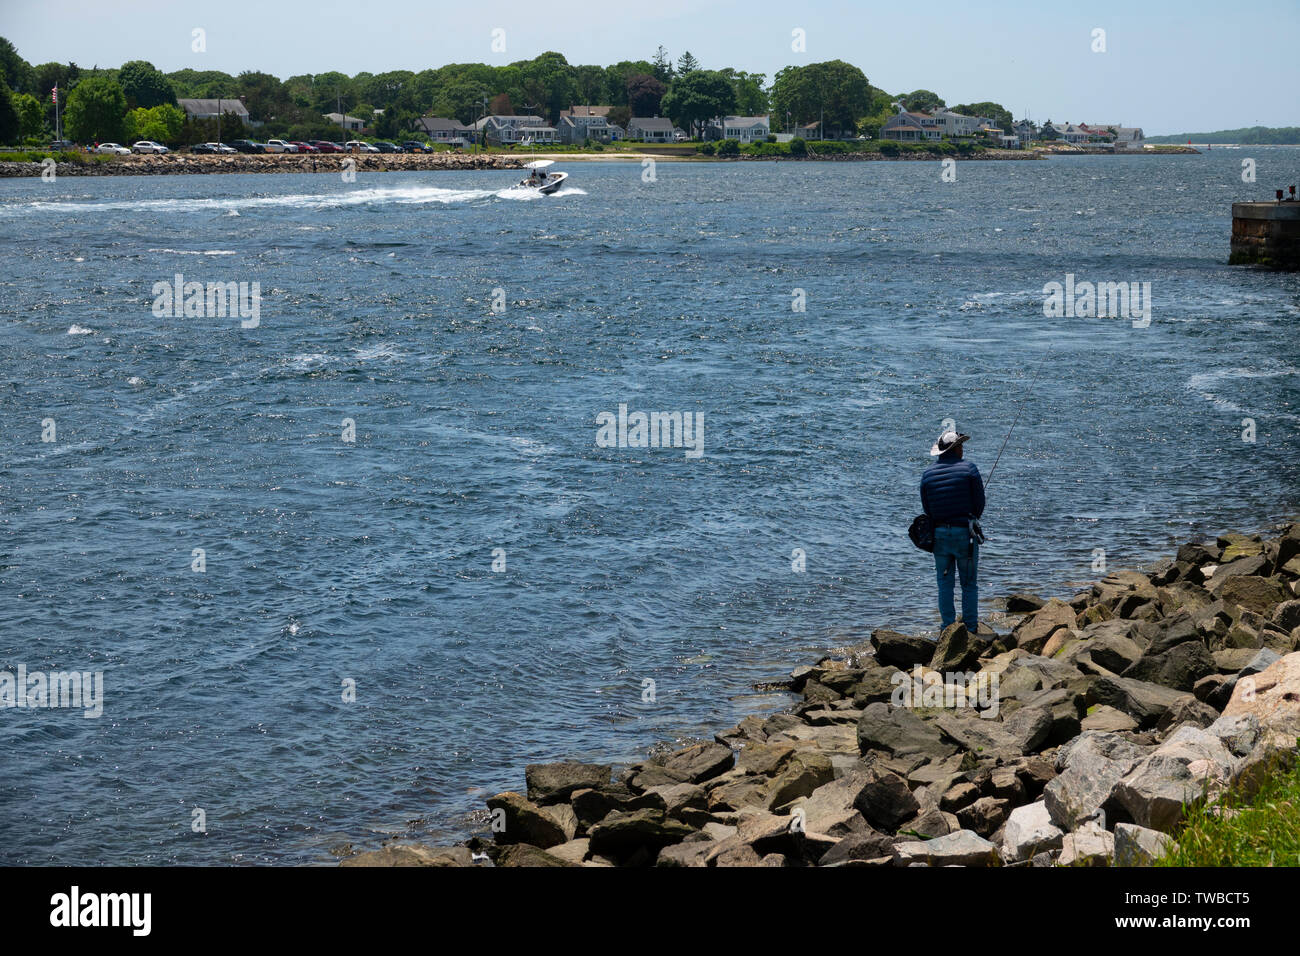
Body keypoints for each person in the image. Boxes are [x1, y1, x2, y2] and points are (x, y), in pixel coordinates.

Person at [920, 430, 986, 631]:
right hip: (964, 535)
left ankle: (948, 628)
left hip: (939, 536)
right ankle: (971, 627)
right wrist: (971, 517)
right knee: (968, 584)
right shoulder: (969, 469)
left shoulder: (927, 474)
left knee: (945, 584)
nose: (962, 449)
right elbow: (979, 503)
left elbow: (927, 509)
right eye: (961, 446)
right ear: (956, 449)